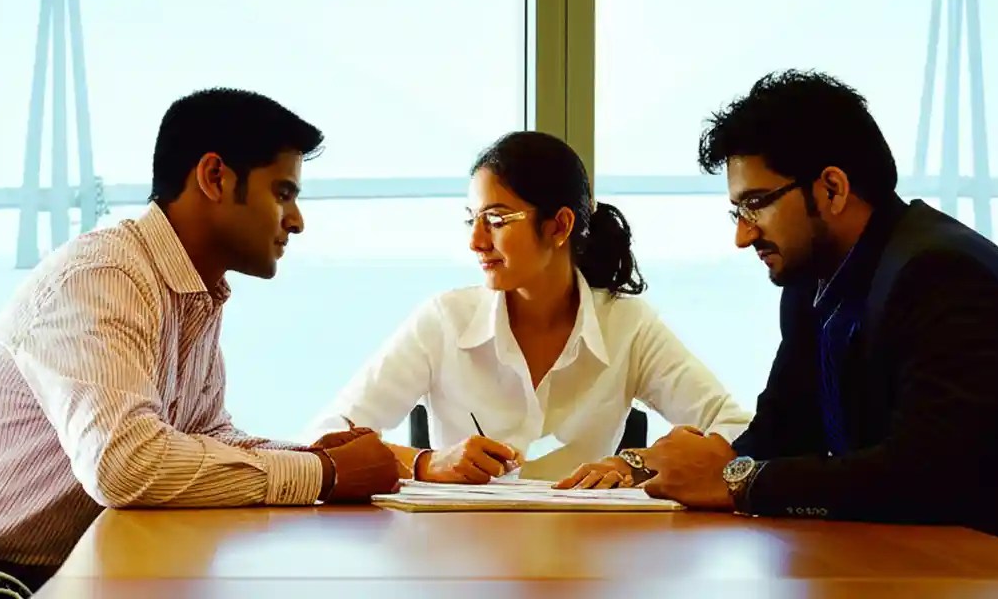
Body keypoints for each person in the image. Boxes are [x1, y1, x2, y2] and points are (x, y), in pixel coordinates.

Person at [565, 70, 998, 560]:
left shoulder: (940, 272)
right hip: (930, 560)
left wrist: (736, 480)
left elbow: (927, 473)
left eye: (756, 205)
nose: (742, 234)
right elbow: (779, 433)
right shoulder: (812, 284)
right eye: (737, 211)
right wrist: (653, 466)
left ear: (832, 189)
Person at [0, 89, 399, 591]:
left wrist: (314, 456)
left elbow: (208, 435)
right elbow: (125, 464)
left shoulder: (192, 293)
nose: (297, 221)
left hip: (44, 576)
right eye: (283, 193)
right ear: (215, 177)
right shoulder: (104, 275)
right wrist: (324, 472)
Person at [306, 130, 750, 484]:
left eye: (496, 220)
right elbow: (325, 436)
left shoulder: (626, 324)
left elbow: (737, 428)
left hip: (584, 567)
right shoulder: (444, 320)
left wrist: (635, 464)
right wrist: (427, 463)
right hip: (462, 563)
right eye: (472, 219)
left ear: (559, 226)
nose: (476, 241)